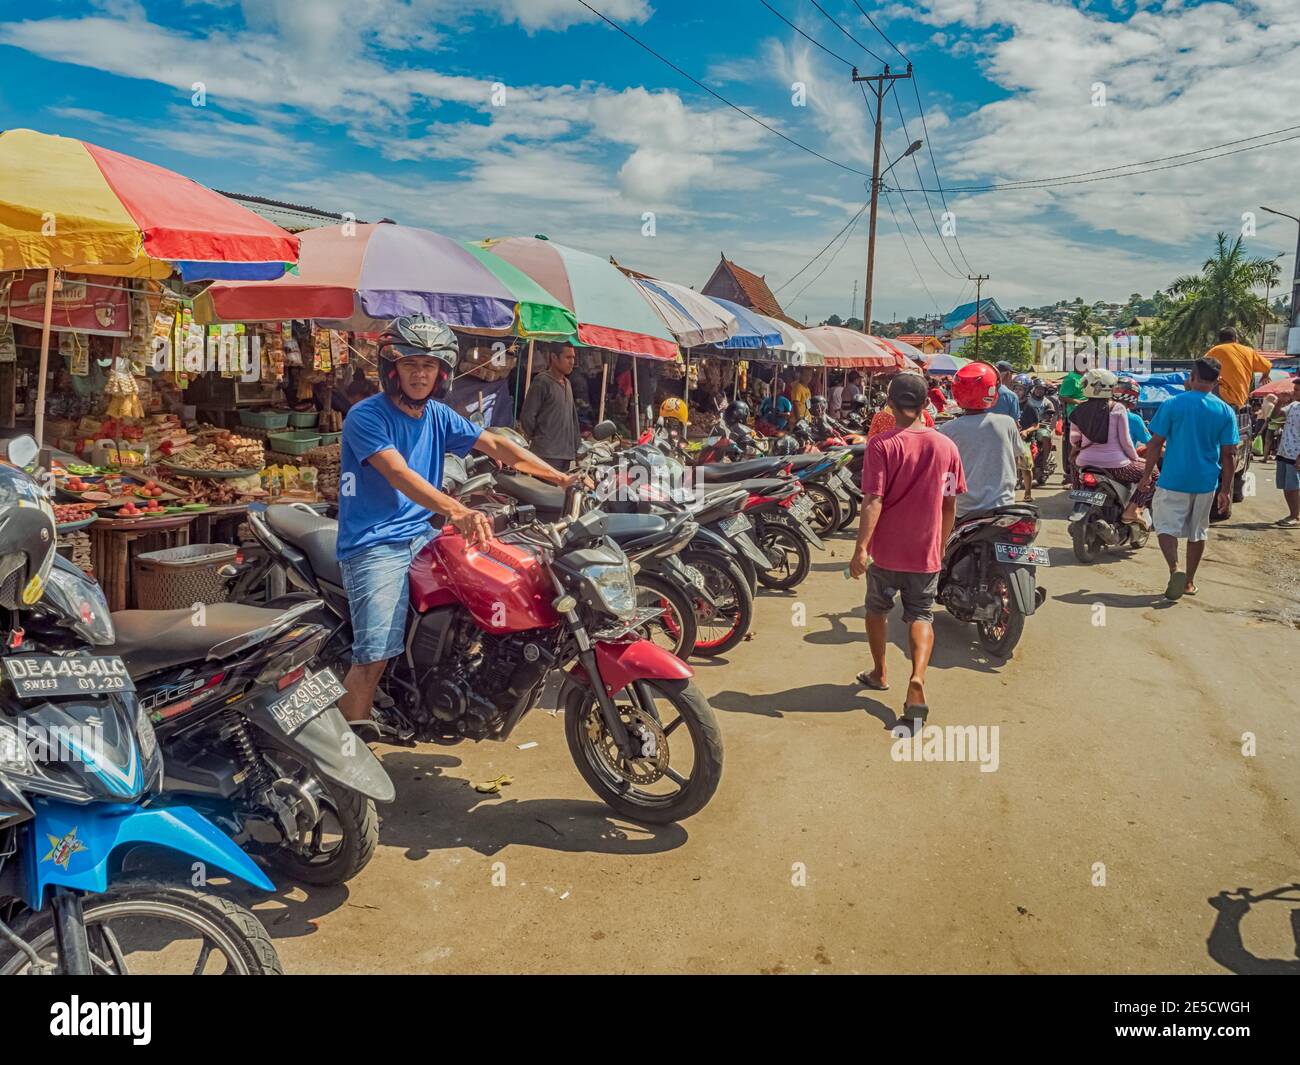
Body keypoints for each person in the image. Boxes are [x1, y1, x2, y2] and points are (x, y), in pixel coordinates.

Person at [336, 315, 574, 737]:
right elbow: (398, 474)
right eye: (410, 364)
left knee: (485, 594)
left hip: (424, 535)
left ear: (442, 372)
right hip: (378, 542)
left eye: (428, 366)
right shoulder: (364, 416)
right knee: (373, 655)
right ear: (392, 368)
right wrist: (457, 511)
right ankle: (346, 755)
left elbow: (499, 445)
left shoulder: (438, 416)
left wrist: (558, 477)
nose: (419, 374)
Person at [850, 373, 965, 728]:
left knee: (877, 610)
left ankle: (880, 671)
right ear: (926, 404)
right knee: (921, 615)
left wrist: (860, 548)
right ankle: (917, 677)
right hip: (924, 552)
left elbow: (873, 499)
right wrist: (941, 543)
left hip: (886, 552)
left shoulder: (881, 445)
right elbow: (949, 504)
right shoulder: (946, 447)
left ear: (890, 402)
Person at [1138, 356, 1239, 600]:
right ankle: (1189, 582)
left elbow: (1155, 444)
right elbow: (1229, 454)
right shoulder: (1225, 410)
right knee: (1198, 532)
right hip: (1205, 482)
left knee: (1164, 526)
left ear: (1192, 377)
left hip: (1173, 479)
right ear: (1217, 382)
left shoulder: (1173, 404)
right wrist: (1226, 489)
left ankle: (1175, 569)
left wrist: (1145, 475)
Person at [1069, 368, 1154, 526]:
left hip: (1085, 463)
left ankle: (1078, 494)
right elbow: (1125, 441)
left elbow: (1074, 441)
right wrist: (1135, 459)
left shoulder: (1077, 410)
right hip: (1116, 465)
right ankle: (1132, 510)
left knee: (1073, 462)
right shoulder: (1118, 408)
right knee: (1153, 474)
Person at [938, 362, 1020, 517]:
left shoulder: (948, 429)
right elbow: (1017, 457)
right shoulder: (1007, 422)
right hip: (1003, 506)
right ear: (992, 391)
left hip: (963, 510)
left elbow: (945, 475)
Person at [519, 341, 581, 471]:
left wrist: (576, 448)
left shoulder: (567, 383)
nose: (572, 362)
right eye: (568, 357)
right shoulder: (542, 381)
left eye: (573, 357)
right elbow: (527, 416)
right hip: (546, 454)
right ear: (554, 357)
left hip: (565, 455)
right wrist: (541, 439)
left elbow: (573, 419)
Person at [1272, 376, 1300, 527]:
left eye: (1297, 390)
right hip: (1284, 451)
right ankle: (1292, 513)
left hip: (1295, 453)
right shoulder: (1293, 405)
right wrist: (1279, 402)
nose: (1294, 392)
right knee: (1285, 485)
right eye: (1294, 389)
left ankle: (1295, 516)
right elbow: (1275, 417)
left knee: (1293, 486)